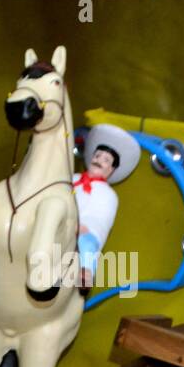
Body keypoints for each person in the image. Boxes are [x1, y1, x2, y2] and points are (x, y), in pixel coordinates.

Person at [73, 123, 139, 289]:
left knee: (87, 244)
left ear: (111, 169)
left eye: (105, 160)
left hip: (83, 230)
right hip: (61, 222)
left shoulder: (108, 195)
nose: (98, 161)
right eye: (97, 156)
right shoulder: (71, 179)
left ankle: (86, 273)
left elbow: (101, 220)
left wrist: (86, 227)